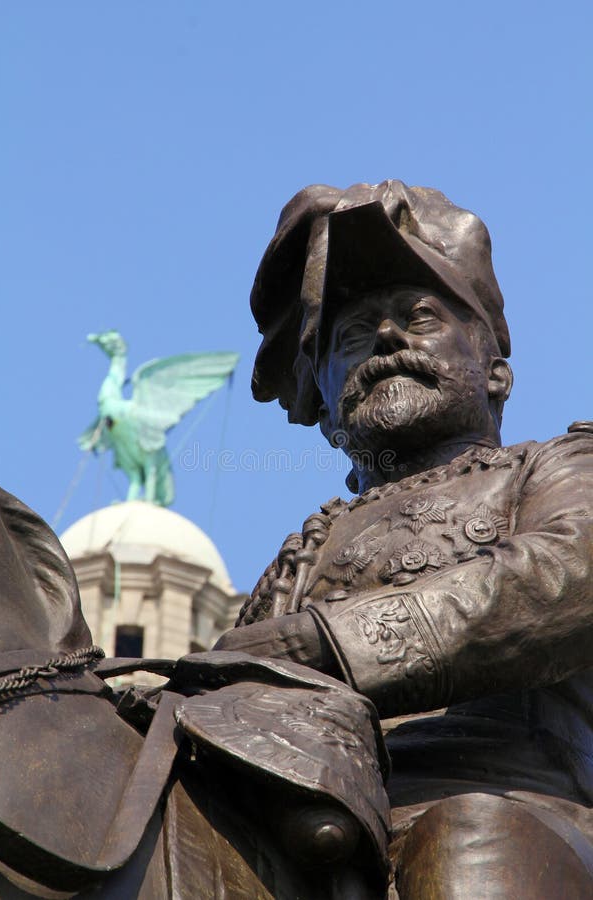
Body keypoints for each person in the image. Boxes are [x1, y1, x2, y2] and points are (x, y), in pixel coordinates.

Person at [216, 180, 593, 897]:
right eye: (355, 334)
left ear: (496, 371)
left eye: (418, 317)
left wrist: (330, 644)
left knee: (470, 845)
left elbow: (569, 576)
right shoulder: (303, 553)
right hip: (308, 811)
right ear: (326, 403)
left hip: (510, 806)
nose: (385, 338)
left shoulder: (558, 467)